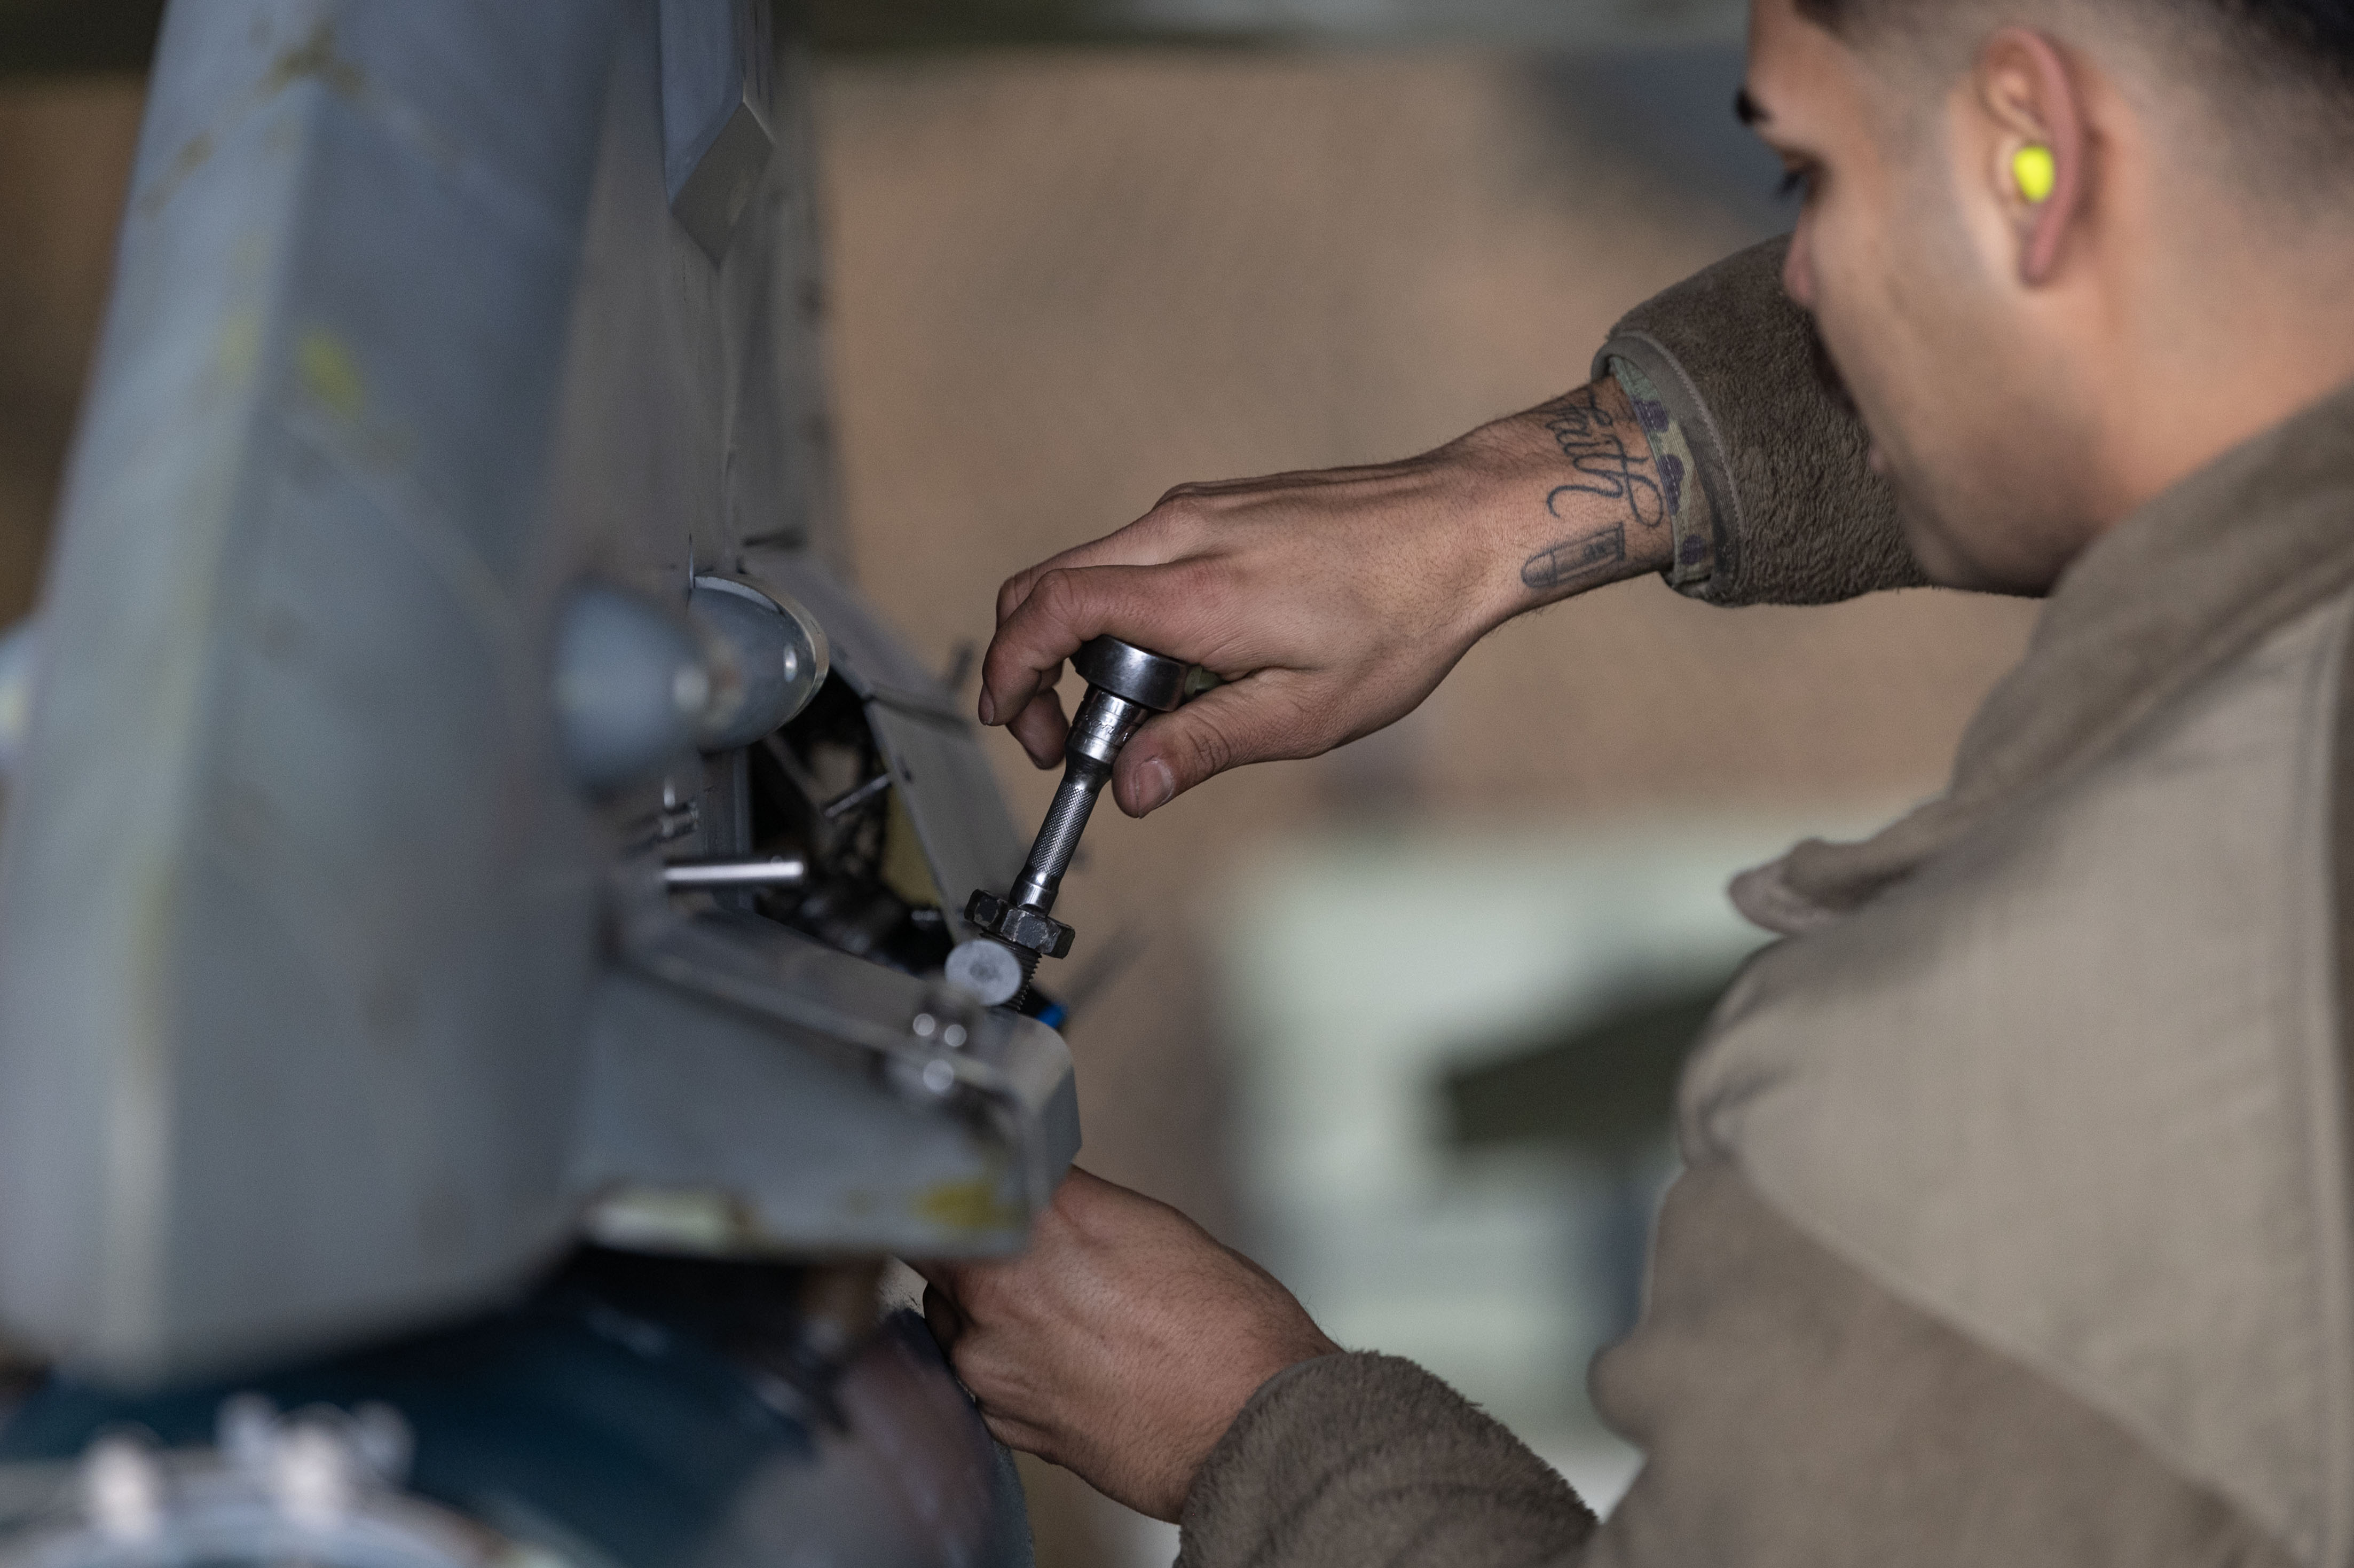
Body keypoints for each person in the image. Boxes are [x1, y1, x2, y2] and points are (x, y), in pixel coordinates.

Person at [915, 0, 2354, 1560]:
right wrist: (1492, 508)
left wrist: (1243, 1428)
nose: (1798, 279)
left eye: (1808, 180)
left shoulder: (1959, 1089)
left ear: (2033, 156)